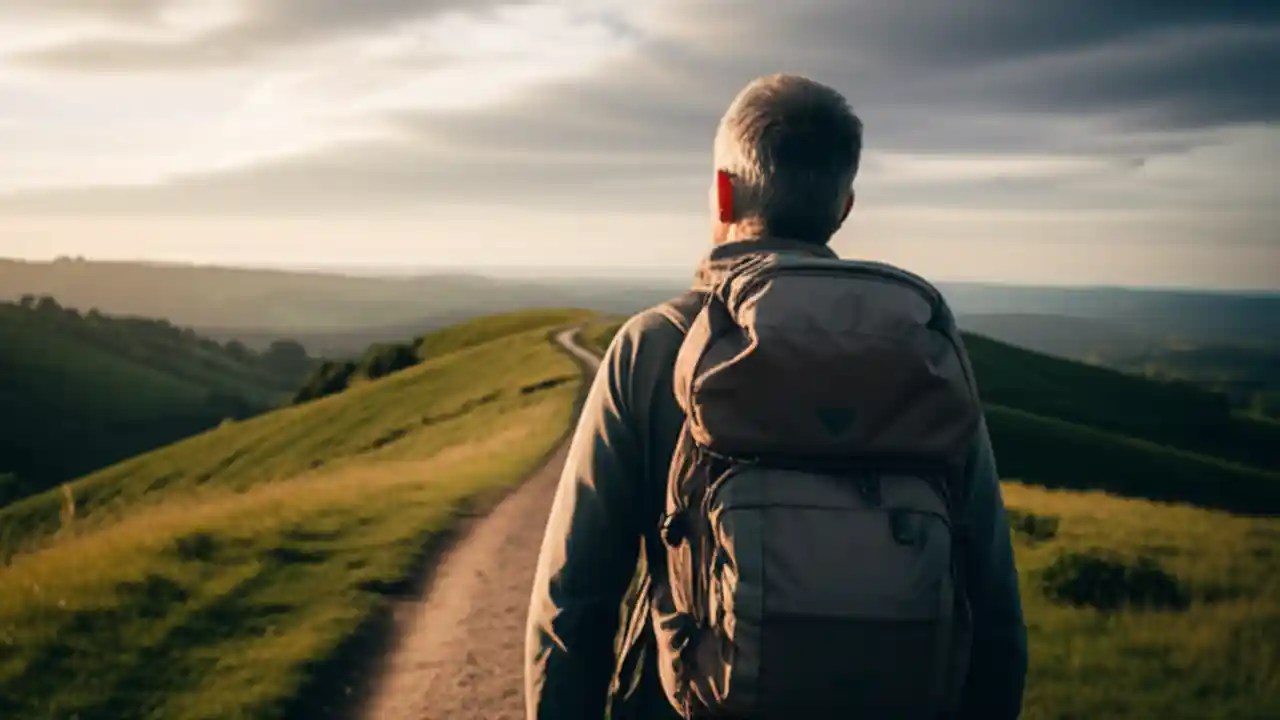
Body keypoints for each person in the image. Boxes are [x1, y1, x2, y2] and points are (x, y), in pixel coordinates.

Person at [525, 74, 1027, 719]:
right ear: (844, 207)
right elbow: (996, 619)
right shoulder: (920, 355)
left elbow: (572, 602)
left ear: (723, 193)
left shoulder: (654, 347)